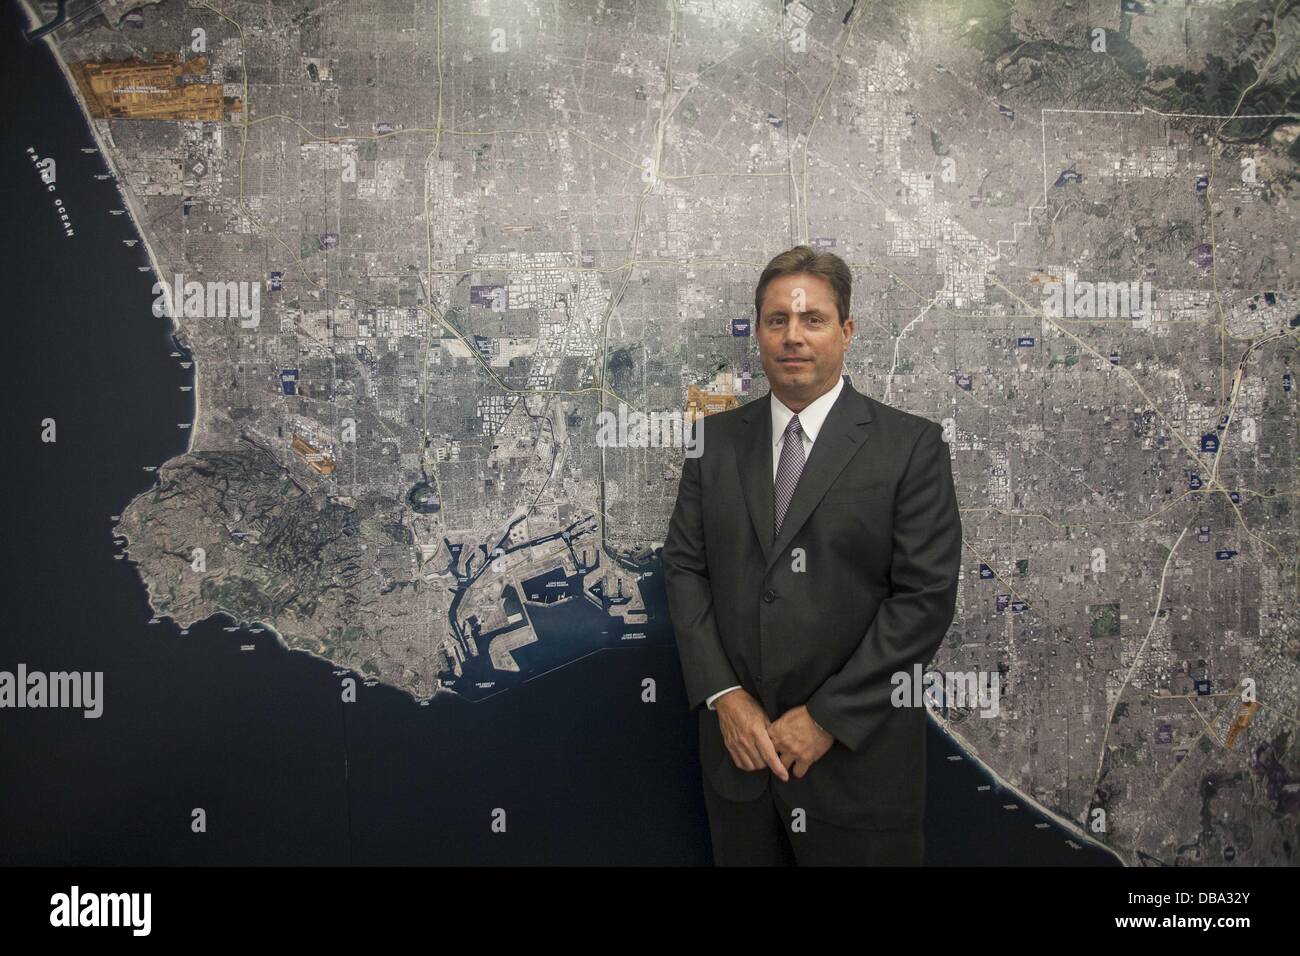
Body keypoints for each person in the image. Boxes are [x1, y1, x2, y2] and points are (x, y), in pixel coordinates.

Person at [662, 245, 962, 865]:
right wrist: (724, 696)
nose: (792, 337)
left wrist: (826, 717)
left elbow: (924, 600)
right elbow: (686, 568)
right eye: (777, 321)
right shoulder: (713, 444)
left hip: (859, 770)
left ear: (846, 332)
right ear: (760, 334)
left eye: (813, 319)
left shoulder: (911, 447)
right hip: (739, 764)